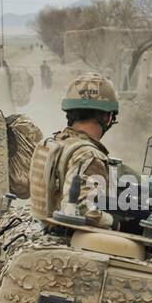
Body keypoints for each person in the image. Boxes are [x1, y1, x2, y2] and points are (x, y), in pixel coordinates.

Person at [28, 71, 120, 228]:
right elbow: (85, 212)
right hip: (64, 239)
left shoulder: (52, 143)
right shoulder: (90, 156)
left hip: (40, 229)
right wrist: (117, 223)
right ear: (107, 117)